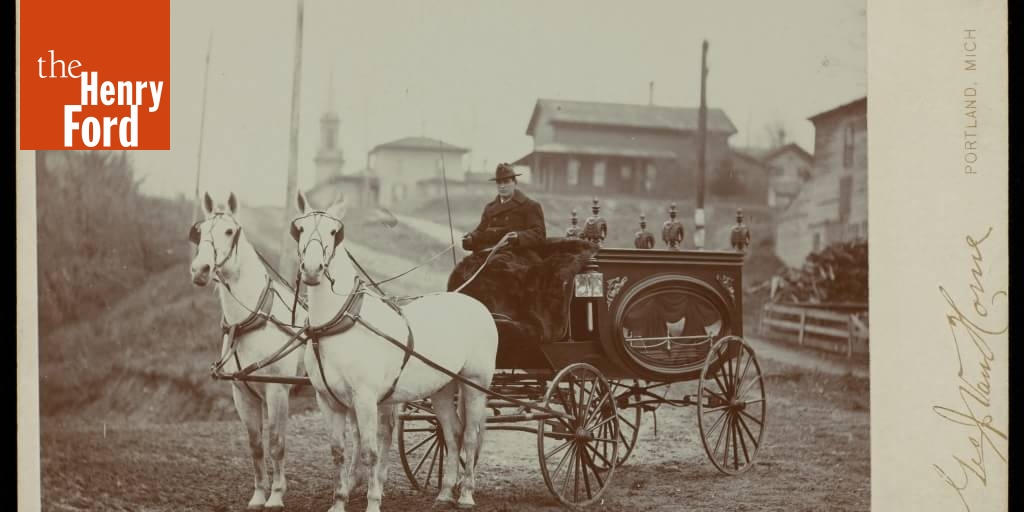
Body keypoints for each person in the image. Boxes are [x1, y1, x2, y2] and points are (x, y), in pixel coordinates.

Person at [462, 163, 546, 252]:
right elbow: (481, 232)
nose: (502, 186)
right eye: (499, 182)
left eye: (506, 182)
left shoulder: (530, 206)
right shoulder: (490, 208)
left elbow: (539, 234)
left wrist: (519, 236)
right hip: (488, 252)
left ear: (515, 183)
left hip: (517, 254)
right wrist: (471, 237)